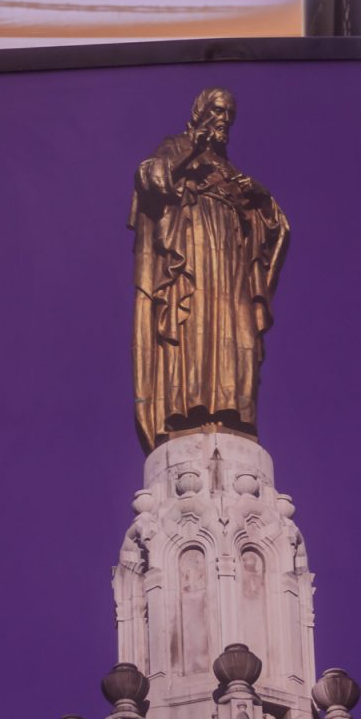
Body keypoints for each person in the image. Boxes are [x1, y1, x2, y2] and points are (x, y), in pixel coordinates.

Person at [130, 86, 289, 455]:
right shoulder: (175, 147)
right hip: (192, 253)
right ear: (200, 112)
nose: (223, 120)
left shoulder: (233, 173)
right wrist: (190, 150)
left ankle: (232, 410)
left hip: (231, 261)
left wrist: (261, 196)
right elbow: (150, 179)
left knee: (235, 329)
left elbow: (277, 227)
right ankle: (187, 411)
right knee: (193, 326)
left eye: (228, 115)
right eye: (217, 111)